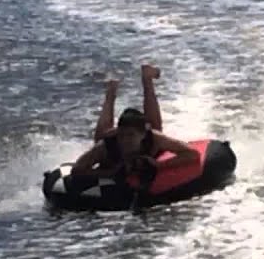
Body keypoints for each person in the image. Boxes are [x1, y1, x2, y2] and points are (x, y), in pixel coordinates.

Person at [72, 64, 200, 182]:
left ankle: (147, 78)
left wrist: (157, 165)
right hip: (113, 146)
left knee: (155, 126)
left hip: (145, 133)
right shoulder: (106, 146)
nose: (125, 141)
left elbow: (192, 154)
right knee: (101, 136)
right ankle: (111, 92)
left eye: (130, 136)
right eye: (122, 136)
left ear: (143, 135)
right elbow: (77, 170)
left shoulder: (154, 138)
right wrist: (110, 173)